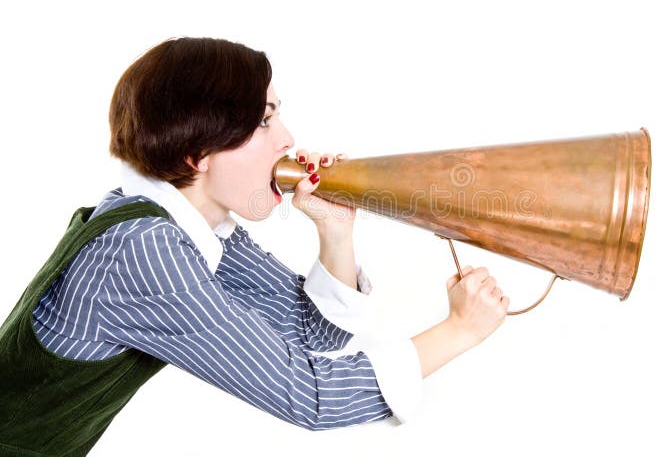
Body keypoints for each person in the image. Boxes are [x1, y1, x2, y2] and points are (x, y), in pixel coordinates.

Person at [0, 37, 509, 455]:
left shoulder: (193, 224)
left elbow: (310, 336)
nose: (286, 138)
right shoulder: (144, 251)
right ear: (200, 152)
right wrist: (460, 331)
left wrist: (335, 231)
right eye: (264, 121)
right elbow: (311, 395)